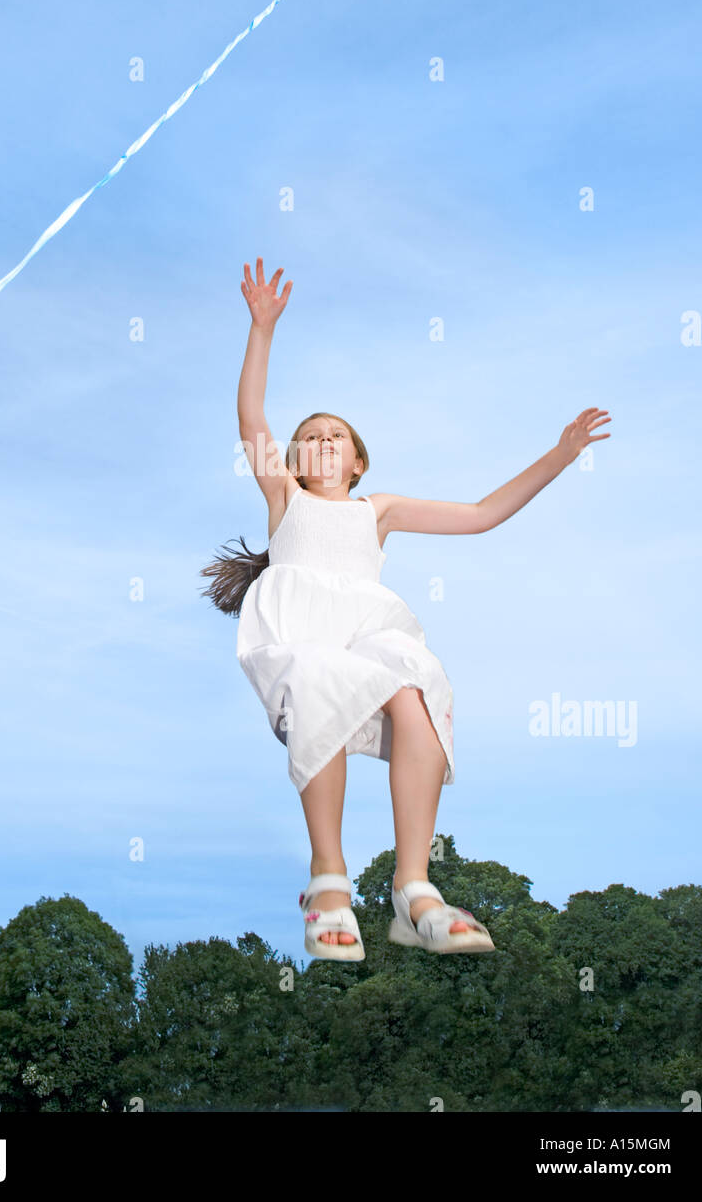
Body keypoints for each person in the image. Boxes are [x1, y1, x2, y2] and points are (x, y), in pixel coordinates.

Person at [199, 257, 612, 961]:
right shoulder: (284, 499)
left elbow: (482, 514)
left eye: (338, 436)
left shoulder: (376, 511)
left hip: (367, 628)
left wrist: (559, 456)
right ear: (295, 460)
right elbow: (249, 416)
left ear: (357, 462)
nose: (324, 441)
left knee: (414, 690)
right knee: (321, 686)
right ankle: (328, 880)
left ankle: (413, 888)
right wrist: (260, 330)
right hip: (300, 630)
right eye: (312, 436)